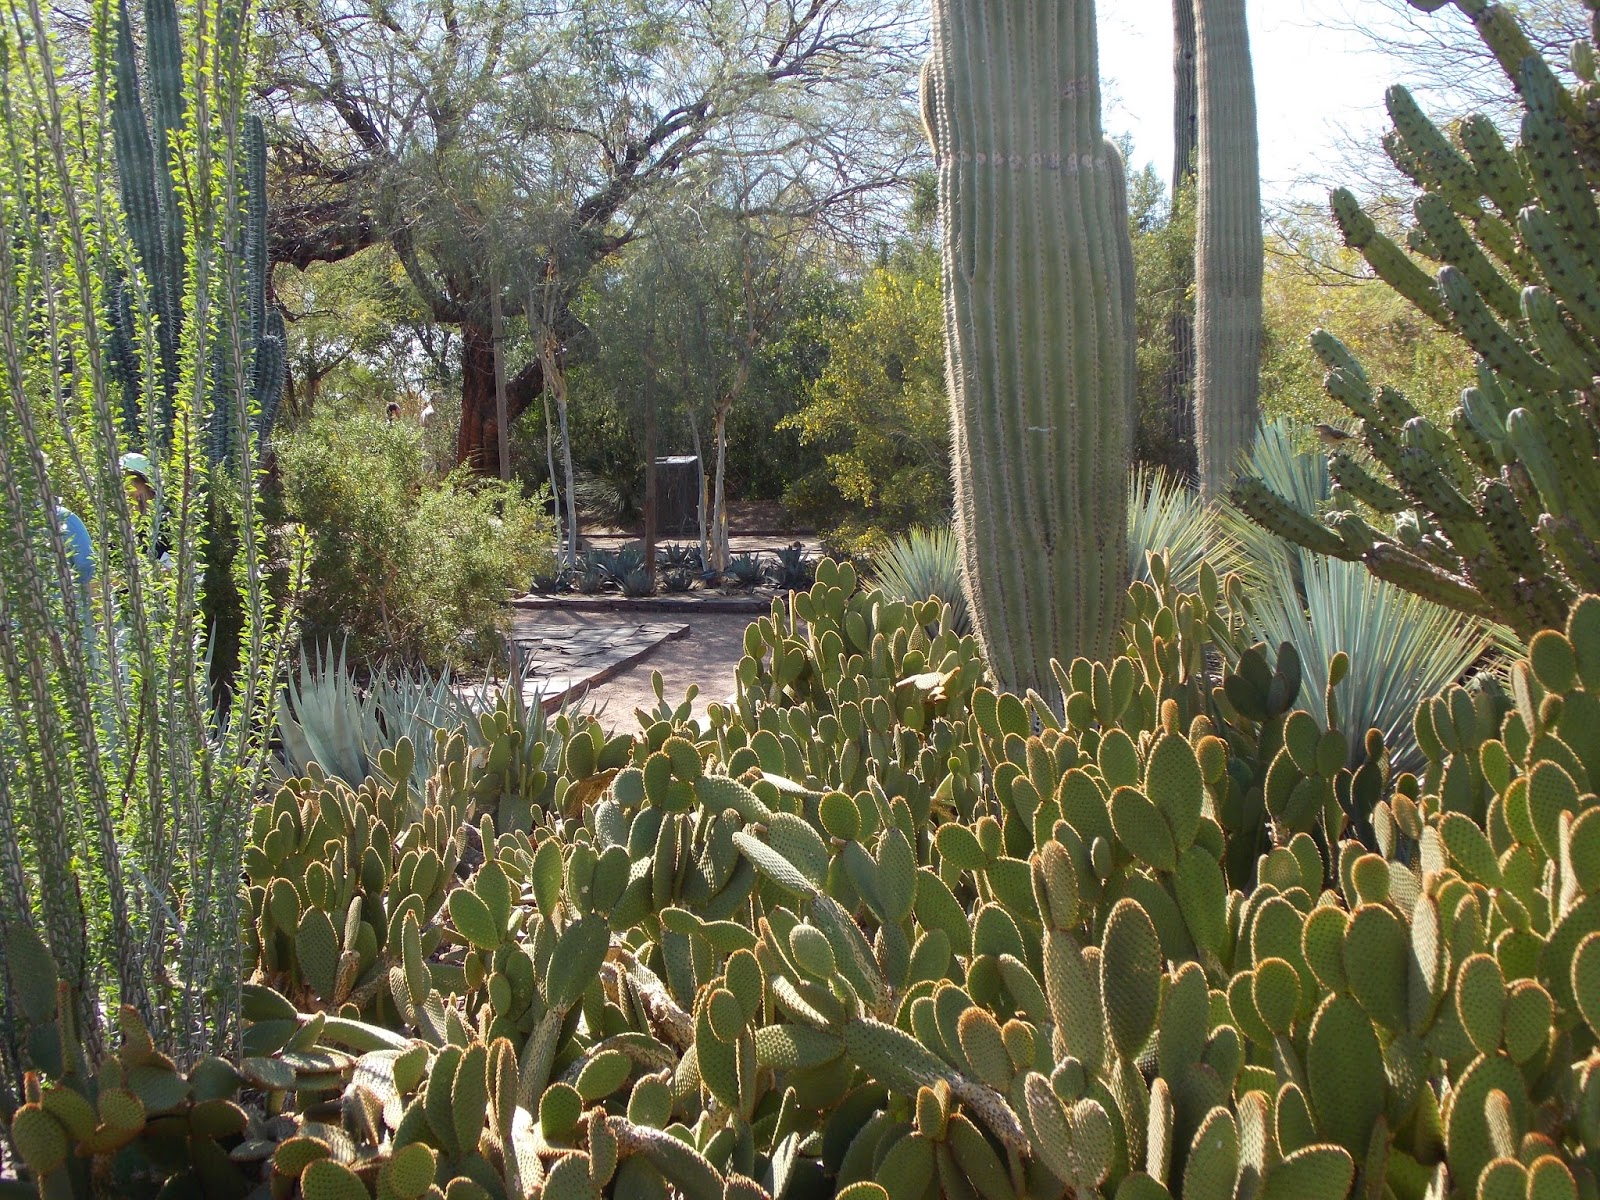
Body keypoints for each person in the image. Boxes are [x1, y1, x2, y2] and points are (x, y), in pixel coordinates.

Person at [120, 451, 172, 564]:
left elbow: (172, 568)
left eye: (126, 482)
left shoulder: (162, 524)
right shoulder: (118, 527)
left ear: (143, 485)